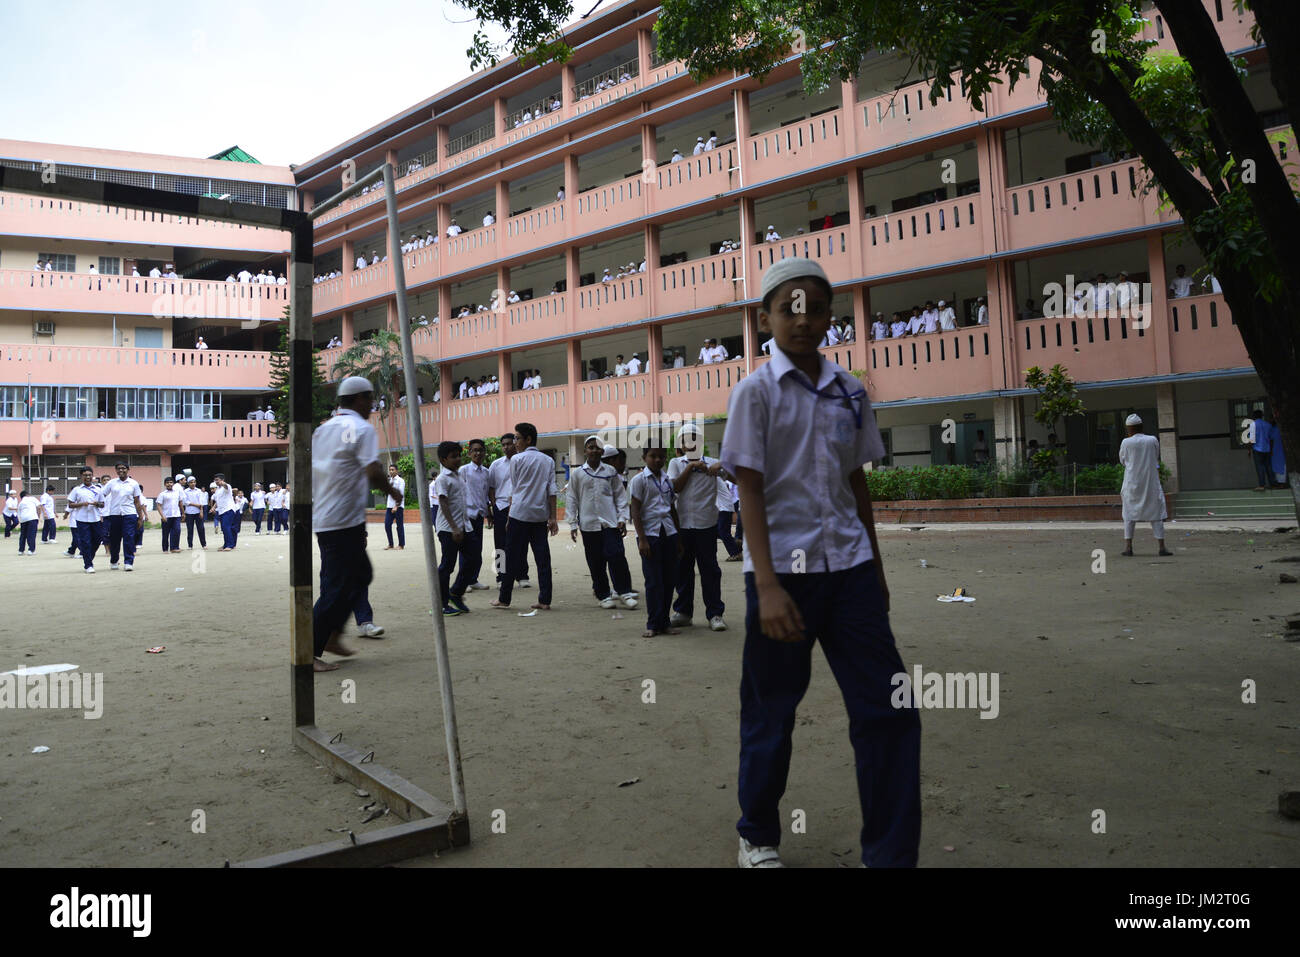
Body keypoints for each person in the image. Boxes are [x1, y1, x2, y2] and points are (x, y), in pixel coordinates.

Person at [721, 255, 920, 869]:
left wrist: (878, 569)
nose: (802, 321)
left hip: (852, 572)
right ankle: (757, 833)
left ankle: (888, 856)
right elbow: (749, 489)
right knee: (773, 713)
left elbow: (855, 482)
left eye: (814, 309)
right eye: (789, 309)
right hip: (784, 577)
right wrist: (769, 585)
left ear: (830, 316)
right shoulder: (754, 392)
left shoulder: (850, 391)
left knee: (888, 708)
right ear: (766, 318)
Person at [311, 376, 404, 671]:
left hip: (328, 517)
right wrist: (393, 491)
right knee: (339, 585)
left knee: (356, 576)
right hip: (341, 520)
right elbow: (373, 471)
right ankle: (310, 649)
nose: (372, 404)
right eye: (370, 398)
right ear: (359, 399)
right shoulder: (362, 429)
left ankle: (332, 635)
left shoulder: (323, 429)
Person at [490, 422, 558, 610]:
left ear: (528, 439)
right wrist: (553, 517)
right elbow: (552, 491)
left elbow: (516, 490)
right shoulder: (548, 460)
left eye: (517, 438)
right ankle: (545, 599)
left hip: (519, 514)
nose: (514, 443)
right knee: (543, 558)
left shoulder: (517, 460)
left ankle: (504, 598)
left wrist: (510, 517)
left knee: (510, 556)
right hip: (539, 516)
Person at [667, 424, 728, 631]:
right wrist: (690, 468)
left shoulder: (712, 464)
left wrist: (720, 466)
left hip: (706, 524)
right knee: (682, 570)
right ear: (681, 445)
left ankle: (715, 614)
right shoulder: (676, 463)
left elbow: (734, 476)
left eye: (694, 438)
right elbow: (675, 487)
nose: (690, 443)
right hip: (682, 525)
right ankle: (683, 612)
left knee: (710, 570)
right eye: (685, 440)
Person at [568, 435, 637, 609]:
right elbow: (572, 499)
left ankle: (625, 592)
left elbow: (620, 496)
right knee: (595, 561)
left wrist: (622, 518)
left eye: (598, 447)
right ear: (585, 451)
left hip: (610, 523)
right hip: (588, 525)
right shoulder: (577, 474)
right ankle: (603, 595)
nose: (594, 450)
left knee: (616, 557)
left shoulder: (610, 472)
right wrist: (572, 524)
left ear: (602, 451)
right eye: (591, 447)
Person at [629, 444, 681, 637]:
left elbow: (672, 508)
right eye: (653, 456)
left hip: (668, 532)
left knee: (669, 580)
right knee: (653, 581)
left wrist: (679, 537)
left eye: (661, 456)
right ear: (644, 457)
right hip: (649, 534)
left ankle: (665, 622)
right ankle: (652, 623)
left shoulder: (667, 480)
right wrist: (642, 539)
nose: (657, 460)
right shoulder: (639, 480)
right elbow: (635, 509)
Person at [1119, 414, 1171, 557]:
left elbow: (1123, 461)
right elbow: (1156, 457)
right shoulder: (1152, 440)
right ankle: (1161, 547)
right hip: (1150, 483)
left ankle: (1128, 547)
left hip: (1132, 484)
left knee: (1129, 515)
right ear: (1141, 427)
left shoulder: (1126, 442)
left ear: (1128, 429)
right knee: (1156, 515)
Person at [433, 442, 474, 616]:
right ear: (443, 460)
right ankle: (441, 604)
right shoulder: (443, 478)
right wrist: (454, 527)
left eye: (459, 455)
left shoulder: (458, 476)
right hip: (449, 529)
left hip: (464, 526)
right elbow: (443, 502)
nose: (458, 459)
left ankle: (455, 593)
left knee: (473, 560)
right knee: (447, 566)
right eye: (453, 456)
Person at [488, 432, 530, 591]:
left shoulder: (524, 461)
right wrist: (493, 506)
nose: (506, 447)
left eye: (509, 444)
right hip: (501, 508)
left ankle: (522, 576)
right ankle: (501, 577)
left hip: (519, 507)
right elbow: (491, 488)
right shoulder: (496, 465)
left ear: (515, 443)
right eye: (503, 445)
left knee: (521, 543)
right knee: (500, 545)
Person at [459, 439, 492, 589]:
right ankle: (464, 580)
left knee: (477, 549)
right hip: (466, 516)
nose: (478, 453)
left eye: (480, 450)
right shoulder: (464, 471)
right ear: (469, 453)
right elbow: (458, 493)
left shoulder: (486, 472)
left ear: (484, 453)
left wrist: (488, 512)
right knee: (466, 550)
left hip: (479, 516)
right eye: (475, 450)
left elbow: (486, 494)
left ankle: (473, 579)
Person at [103, 462, 147, 571]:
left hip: (129, 514)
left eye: (123, 468)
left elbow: (137, 501)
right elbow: (102, 495)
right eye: (118, 468)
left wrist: (140, 518)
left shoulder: (133, 483)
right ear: (116, 470)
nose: (121, 470)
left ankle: (128, 562)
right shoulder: (111, 483)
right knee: (114, 539)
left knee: (129, 538)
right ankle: (114, 561)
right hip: (114, 515)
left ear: (128, 470)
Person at [66, 468, 104, 572]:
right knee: (85, 542)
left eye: (89, 475)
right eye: (85, 475)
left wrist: (97, 503)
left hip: (95, 519)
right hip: (82, 519)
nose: (88, 477)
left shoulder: (98, 489)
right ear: (81, 476)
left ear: (92, 476)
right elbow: (70, 504)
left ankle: (89, 558)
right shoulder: (77, 490)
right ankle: (88, 565)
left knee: (97, 540)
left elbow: (102, 504)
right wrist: (82, 504)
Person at [716, 471, 742, 561]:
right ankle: (736, 543)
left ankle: (735, 553)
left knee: (723, 531)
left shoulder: (713, 476)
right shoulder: (716, 477)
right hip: (722, 506)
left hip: (724, 507)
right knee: (717, 531)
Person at [1247, 408, 1273, 491]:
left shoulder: (1253, 425)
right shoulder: (1268, 424)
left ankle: (1262, 485)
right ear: (1262, 416)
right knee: (1269, 467)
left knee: (1260, 467)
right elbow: (1271, 438)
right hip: (1267, 449)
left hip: (1257, 449)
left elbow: (1251, 439)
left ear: (1254, 416)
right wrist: (1271, 449)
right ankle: (1272, 484)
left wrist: (1249, 450)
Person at [156, 476, 182, 553]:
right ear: (165, 484)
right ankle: (165, 549)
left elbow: (180, 503)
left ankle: (174, 548)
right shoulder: (162, 494)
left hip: (176, 515)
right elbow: (158, 505)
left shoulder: (177, 493)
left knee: (177, 531)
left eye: (171, 482)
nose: (169, 484)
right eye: (167, 483)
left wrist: (183, 513)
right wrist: (162, 515)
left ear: (173, 483)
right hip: (166, 516)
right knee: (165, 533)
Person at [383, 464, 406, 549]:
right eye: (390, 470)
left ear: (397, 471)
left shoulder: (401, 481)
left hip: (398, 507)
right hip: (389, 506)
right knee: (387, 525)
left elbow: (401, 494)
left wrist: (396, 506)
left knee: (399, 526)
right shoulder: (390, 481)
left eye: (393, 470)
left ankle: (401, 544)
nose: (391, 471)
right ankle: (391, 544)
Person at [182, 476, 208, 549]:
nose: (193, 484)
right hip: (189, 513)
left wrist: (201, 512)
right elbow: (185, 502)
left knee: (201, 529)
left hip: (198, 512)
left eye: (194, 482)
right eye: (191, 482)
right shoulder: (185, 491)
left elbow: (201, 502)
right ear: (188, 483)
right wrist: (195, 504)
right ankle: (190, 545)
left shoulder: (199, 491)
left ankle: (204, 544)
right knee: (190, 530)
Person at [16, 489, 41, 555]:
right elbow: (39, 507)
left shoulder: (20, 503)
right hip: (32, 518)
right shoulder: (32, 498)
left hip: (23, 519)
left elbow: (19, 513)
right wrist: (38, 516)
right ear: (27, 495)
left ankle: (21, 550)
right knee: (31, 534)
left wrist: (21, 521)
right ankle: (31, 550)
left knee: (23, 535)